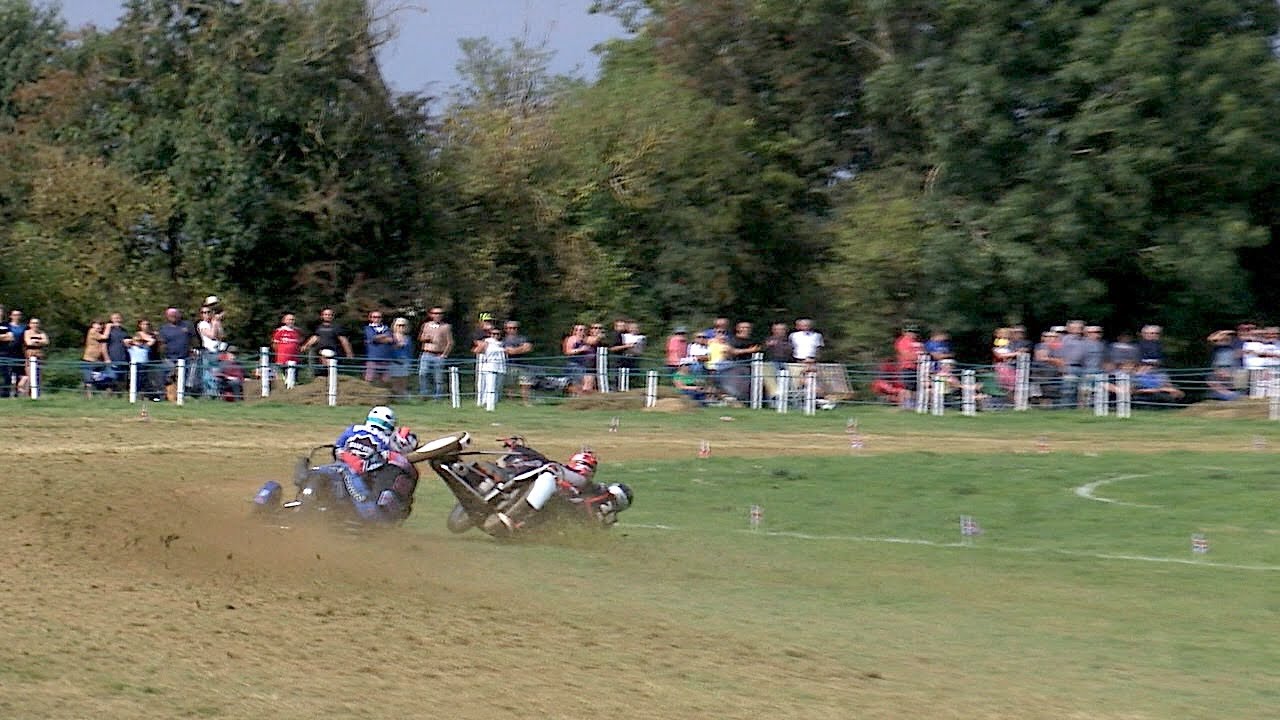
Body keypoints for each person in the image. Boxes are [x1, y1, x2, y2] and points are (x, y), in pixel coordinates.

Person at [417, 306, 453, 399]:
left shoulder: (446, 327)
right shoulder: (426, 325)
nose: (437, 315)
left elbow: (450, 342)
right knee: (423, 374)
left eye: (440, 314)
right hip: (426, 353)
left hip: (438, 355)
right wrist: (426, 338)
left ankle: (438, 396)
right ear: (431, 315)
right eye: (435, 313)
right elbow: (420, 338)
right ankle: (424, 394)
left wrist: (445, 354)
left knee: (438, 377)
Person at [502, 320, 534, 404]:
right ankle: (511, 402)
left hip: (523, 365)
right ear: (506, 329)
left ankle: (526, 402)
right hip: (509, 365)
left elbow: (528, 348)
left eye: (514, 328)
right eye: (509, 328)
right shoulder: (503, 340)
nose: (512, 330)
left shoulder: (523, 338)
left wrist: (513, 351)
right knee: (510, 385)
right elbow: (505, 351)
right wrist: (520, 349)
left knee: (525, 384)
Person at [17, 317, 49, 396]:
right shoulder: (27, 332)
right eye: (33, 323)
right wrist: (39, 341)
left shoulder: (42, 333)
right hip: (30, 355)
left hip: (39, 355)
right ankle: (28, 394)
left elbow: (46, 342)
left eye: (37, 323)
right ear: (30, 324)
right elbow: (28, 342)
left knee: (38, 375)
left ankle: (37, 394)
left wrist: (35, 341)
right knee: (30, 375)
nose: (35, 325)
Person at [362, 310, 394, 385]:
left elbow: (391, 340)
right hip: (372, 359)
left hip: (386, 359)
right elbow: (373, 338)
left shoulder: (387, 328)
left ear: (381, 318)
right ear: (371, 318)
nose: (377, 319)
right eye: (374, 317)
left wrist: (375, 339)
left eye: (379, 317)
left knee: (386, 382)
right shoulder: (367, 328)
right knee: (369, 380)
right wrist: (385, 336)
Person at [271, 313, 303, 381]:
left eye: (292, 319)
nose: (291, 321)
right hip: (282, 358)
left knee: (293, 377)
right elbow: (274, 344)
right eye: (289, 319)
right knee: (282, 377)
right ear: (284, 321)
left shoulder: (297, 331)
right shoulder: (279, 331)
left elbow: (299, 344)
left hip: (295, 358)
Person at [387, 317, 414, 398]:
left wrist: (410, 363)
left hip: (405, 363)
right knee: (394, 382)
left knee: (404, 382)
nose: (401, 327)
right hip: (393, 362)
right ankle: (395, 397)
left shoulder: (408, 338)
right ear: (394, 326)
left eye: (403, 325)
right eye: (399, 325)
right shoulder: (390, 337)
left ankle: (402, 398)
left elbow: (410, 352)